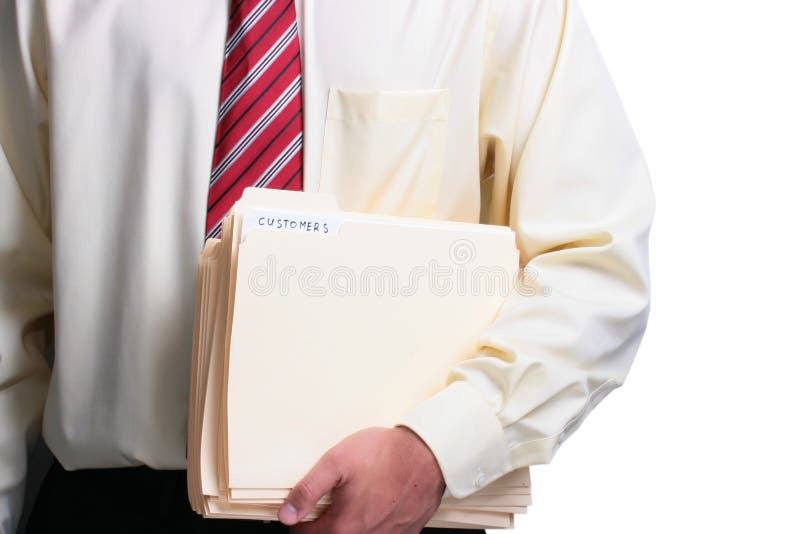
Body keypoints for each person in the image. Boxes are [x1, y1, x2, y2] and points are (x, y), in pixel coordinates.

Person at [0, 0, 655, 532]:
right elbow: (8, 292)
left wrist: (440, 447)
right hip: (110, 509)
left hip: (393, 508)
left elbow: (593, 263)